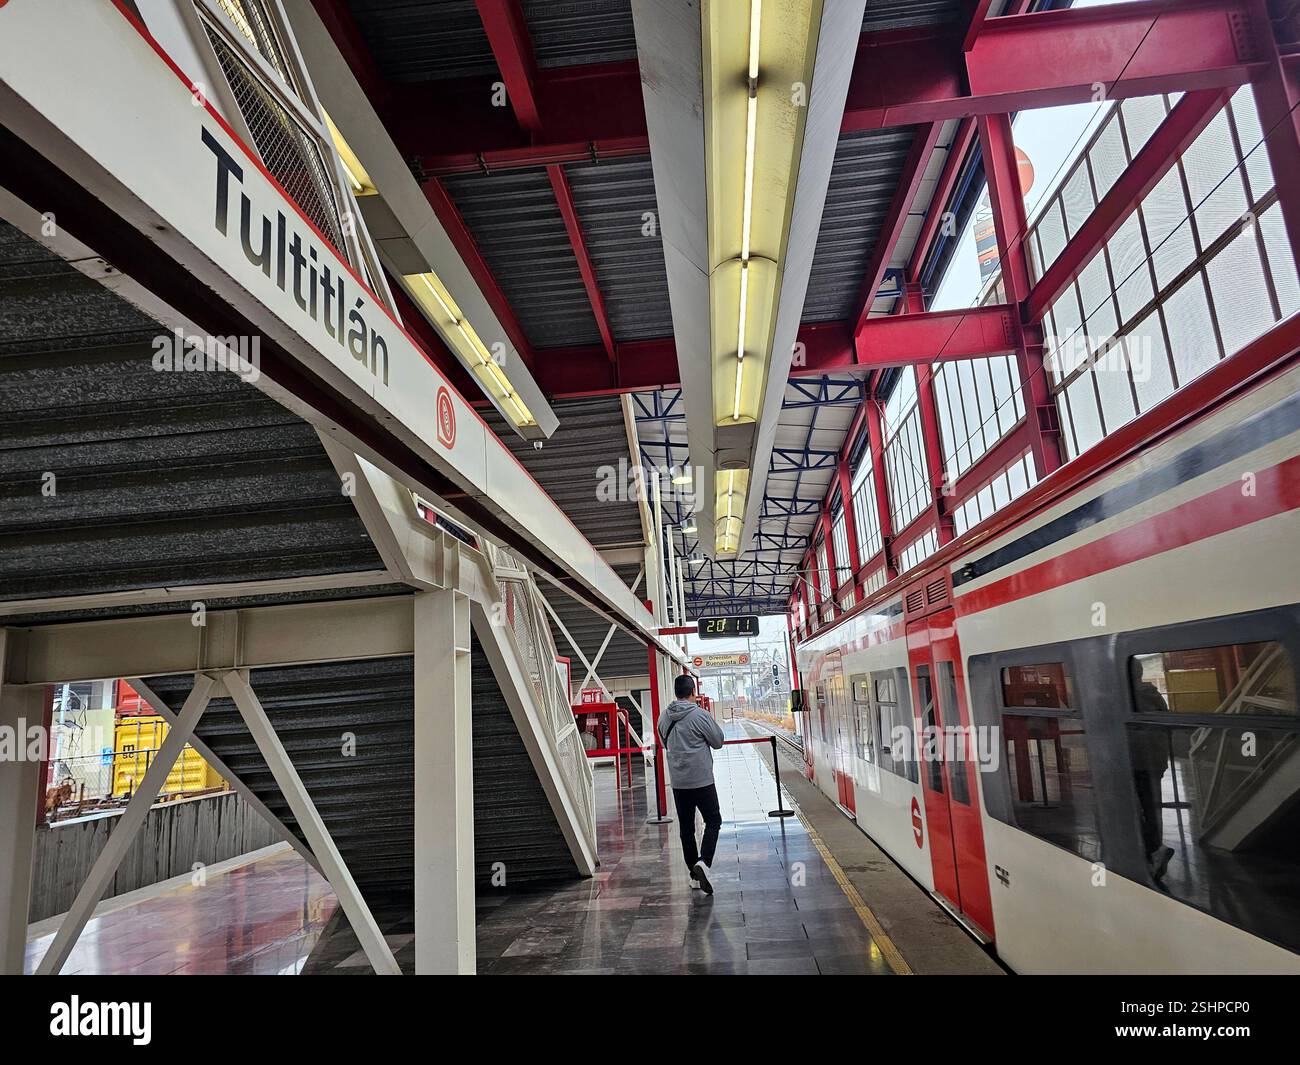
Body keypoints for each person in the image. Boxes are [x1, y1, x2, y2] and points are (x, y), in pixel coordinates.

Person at [657, 674, 725, 895]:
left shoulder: (663, 718)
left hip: (679, 783)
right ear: (693, 692)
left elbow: (665, 744)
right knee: (713, 821)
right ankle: (703, 862)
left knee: (686, 829)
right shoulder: (700, 715)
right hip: (702, 780)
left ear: (676, 692)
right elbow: (718, 741)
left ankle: (694, 876)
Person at [1130, 660, 1176, 881]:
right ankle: (1154, 848)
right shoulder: (1153, 694)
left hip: (1133, 760)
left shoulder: (1125, 696)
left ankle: (1150, 849)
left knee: (1130, 806)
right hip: (1155, 760)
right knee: (1151, 807)